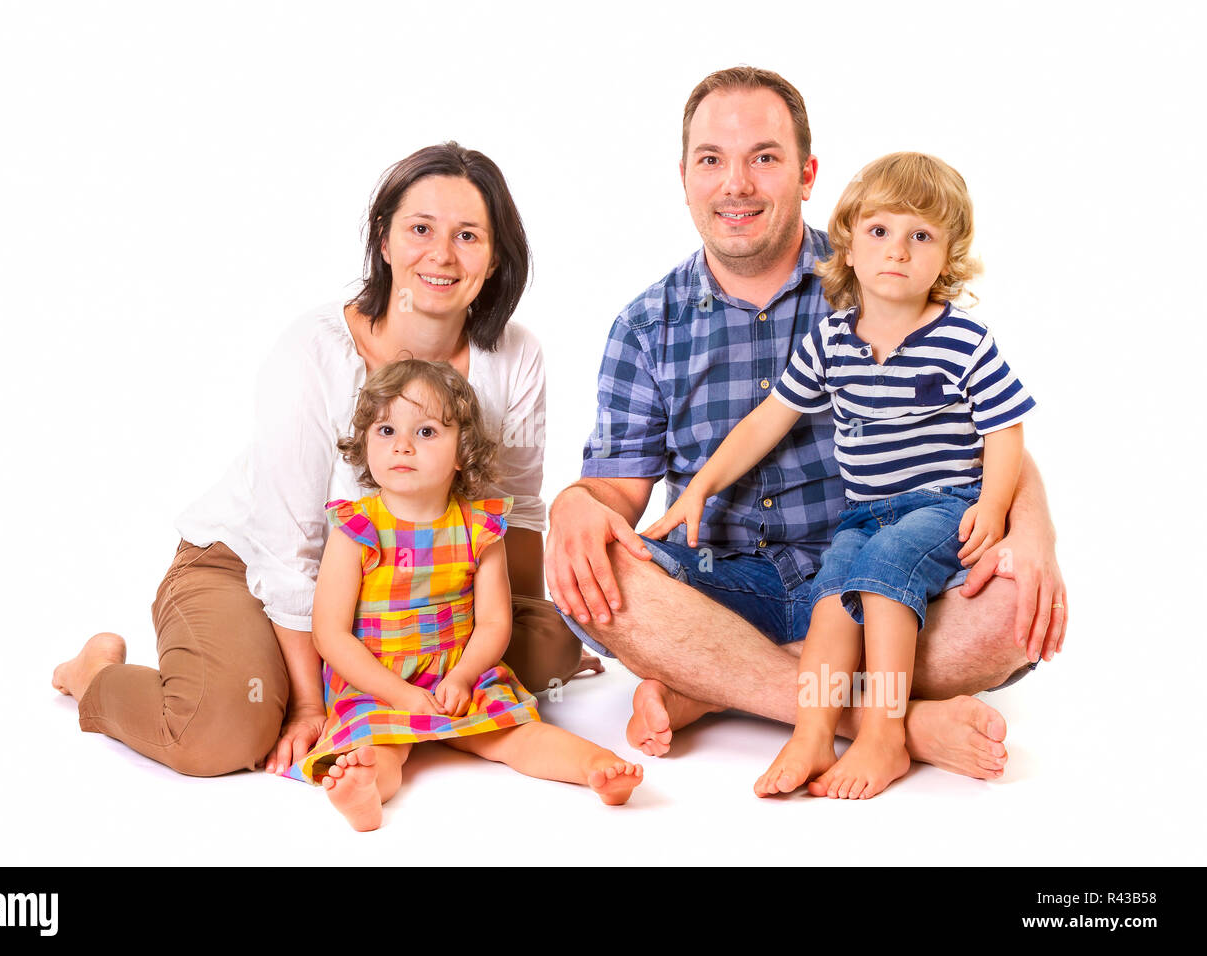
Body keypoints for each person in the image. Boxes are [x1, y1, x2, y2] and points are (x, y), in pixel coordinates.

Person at [545, 67, 1068, 782]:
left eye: (764, 157)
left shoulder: (880, 274)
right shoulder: (645, 326)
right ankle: (891, 722)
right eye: (712, 160)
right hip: (723, 591)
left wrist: (1034, 533)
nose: (737, 183)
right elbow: (613, 497)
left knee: (1013, 609)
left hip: (880, 578)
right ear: (685, 177)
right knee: (593, 575)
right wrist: (573, 505)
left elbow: (989, 428)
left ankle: (720, 688)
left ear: (806, 173)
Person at [52, 142, 591, 777]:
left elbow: (517, 506)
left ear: (496, 254)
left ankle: (338, 679)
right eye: (420, 229)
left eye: (468, 235)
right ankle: (97, 676)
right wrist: (311, 706)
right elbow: (290, 543)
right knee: (222, 732)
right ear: (384, 240)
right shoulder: (314, 351)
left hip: (415, 587)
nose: (442, 255)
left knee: (551, 642)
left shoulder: (515, 356)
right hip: (252, 565)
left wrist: (522, 629)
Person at [645, 152, 1035, 798]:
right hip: (863, 511)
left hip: (942, 503)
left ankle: (883, 737)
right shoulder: (832, 340)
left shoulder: (963, 339)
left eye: (921, 237)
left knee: (883, 570)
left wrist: (992, 507)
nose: (898, 252)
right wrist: (702, 488)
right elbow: (765, 422)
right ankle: (813, 731)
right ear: (849, 247)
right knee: (833, 599)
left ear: (948, 257)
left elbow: (1005, 428)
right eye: (880, 232)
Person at [288, 360, 642, 830]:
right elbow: (330, 635)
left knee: (516, 734)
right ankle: (365, 791)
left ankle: (594, 766)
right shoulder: (357, 527)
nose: (403, 445)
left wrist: (463, 676)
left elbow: (495, 622)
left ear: (461, 452)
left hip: (458, 673)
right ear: (366, 443)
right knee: (380, 745)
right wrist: (401, 696)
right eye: (387, 429)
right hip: (376, 680)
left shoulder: (480, 528)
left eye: (427, 431)